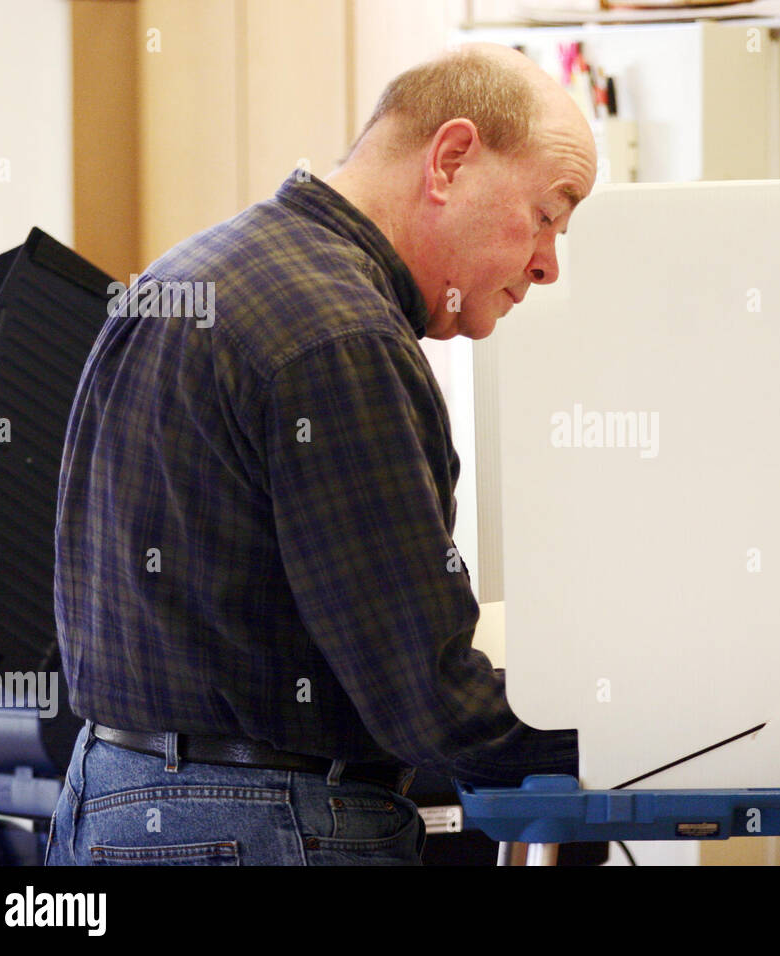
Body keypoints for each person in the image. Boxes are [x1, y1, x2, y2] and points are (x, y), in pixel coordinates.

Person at [45, 43, 597, 866]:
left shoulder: (188, 274)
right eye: (548, 214)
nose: (550, 263)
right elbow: (429, 700)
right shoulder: (341, 336)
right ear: (449, 160)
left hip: (108, 798)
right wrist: (642, 742)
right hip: (267, 823)